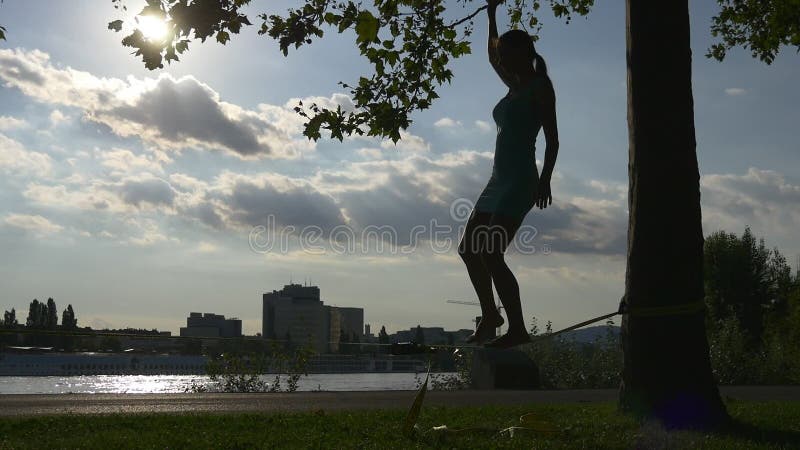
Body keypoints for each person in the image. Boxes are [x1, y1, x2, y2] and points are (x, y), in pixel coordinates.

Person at [458, 0, 559, 349]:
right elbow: (490, 55)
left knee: (491, 253)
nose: (501, 59)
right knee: (469, 250)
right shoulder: (513, 85)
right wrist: (491, 15)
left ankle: (517, 328)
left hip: (519, 181)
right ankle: (491, 315)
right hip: (496, 181)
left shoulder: (539, 87)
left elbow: (553, 139)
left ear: (523, 52)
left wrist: (545, 180)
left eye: (507, 53)